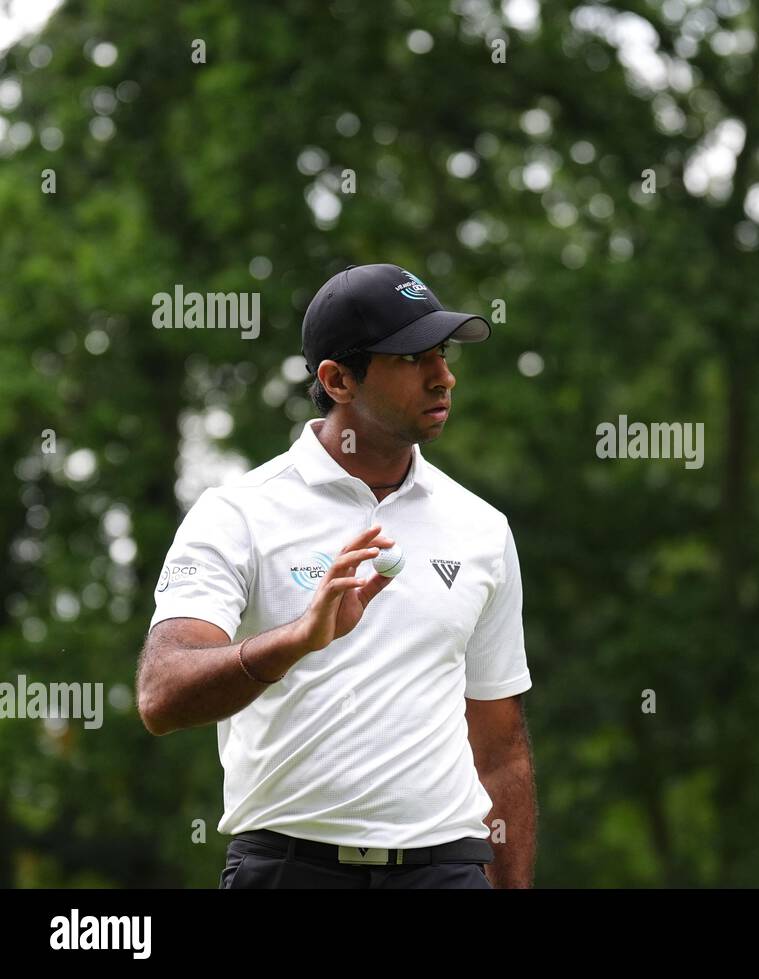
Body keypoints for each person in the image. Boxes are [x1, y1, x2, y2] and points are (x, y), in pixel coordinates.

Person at [136, 263, 536, 889]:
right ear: (338, 379)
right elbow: (162, 695)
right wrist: (298, 638)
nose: (444, 376)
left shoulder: (482, 527)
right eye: (413, 359)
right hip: (288, 870)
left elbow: (500, 746)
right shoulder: (237, 513)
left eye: (443, 354)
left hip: (445, 871)